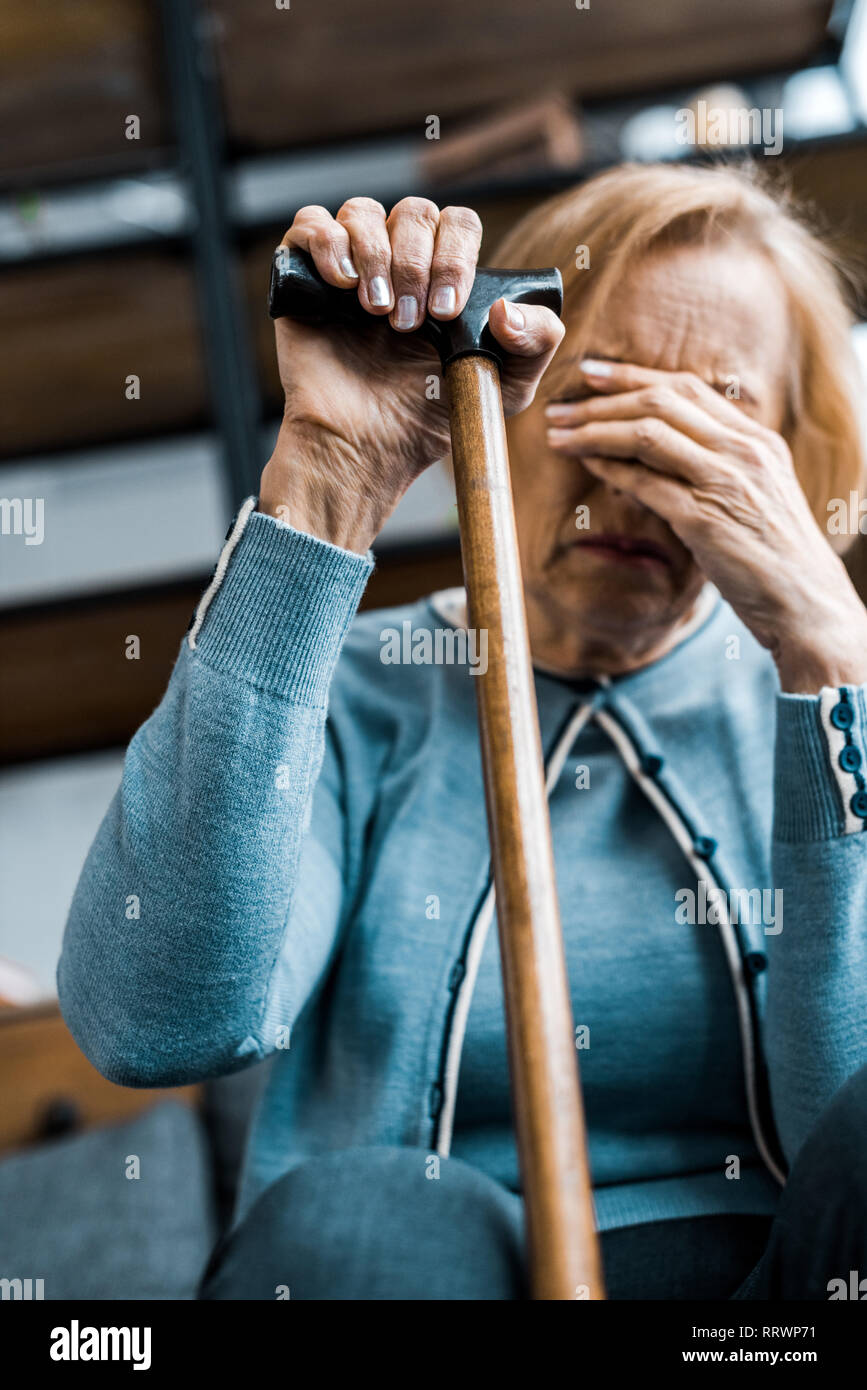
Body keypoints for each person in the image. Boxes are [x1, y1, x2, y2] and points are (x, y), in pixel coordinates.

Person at [59, 163, 867, 1300]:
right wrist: (325, 480)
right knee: (355, 1224)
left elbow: (849, 1124)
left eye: (707, 421)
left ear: (793, 466)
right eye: (597, 395)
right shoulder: (354, 692)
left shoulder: (834, 703)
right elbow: (151, 1020)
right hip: (434, 1276)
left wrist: (831, 657)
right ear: (492, 392)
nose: (632, 483)